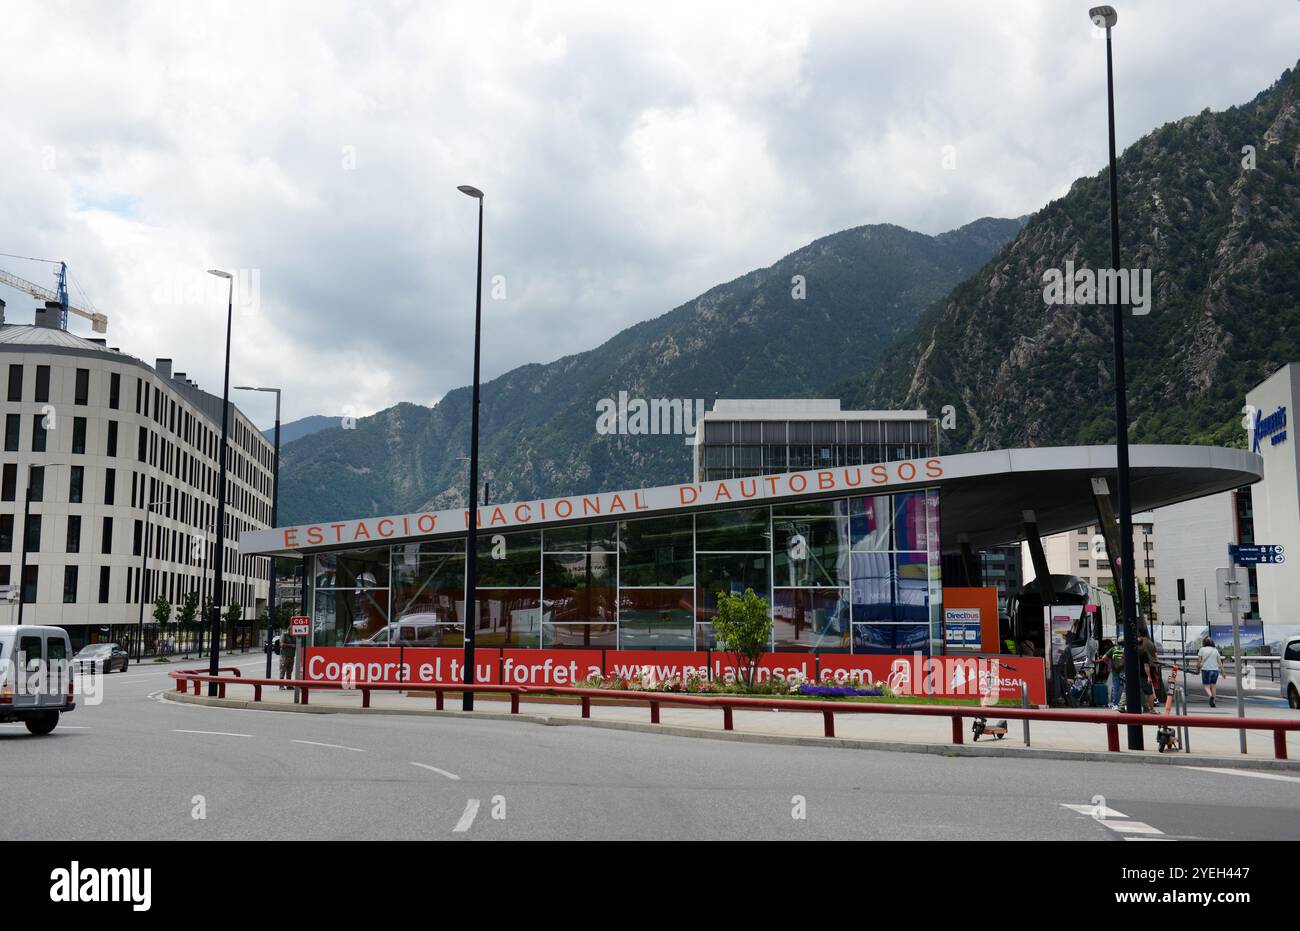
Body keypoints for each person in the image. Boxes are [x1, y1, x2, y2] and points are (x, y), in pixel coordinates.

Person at [1198, 637, 1223, 707]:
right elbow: (1220, 662)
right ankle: (1214, 702)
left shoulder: (1202, 649)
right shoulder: (1215, 650)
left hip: (1206, 670)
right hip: (1215, 671)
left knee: (1206, 686)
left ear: (1204, 642)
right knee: (1213, 686)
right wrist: (1223, 672)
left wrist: (1197, 668)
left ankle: (1210, 696)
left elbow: (1199, 661)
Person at [1106, 639, 1126, 708]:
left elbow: (1104, 658)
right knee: (1125, 687)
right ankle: (1124, 703)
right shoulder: (1126, 649)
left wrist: (1109, 664)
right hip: (1124, 671)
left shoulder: (1113, 649)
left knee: (1115, 687)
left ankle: (1115, 704)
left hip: (1115, 671)